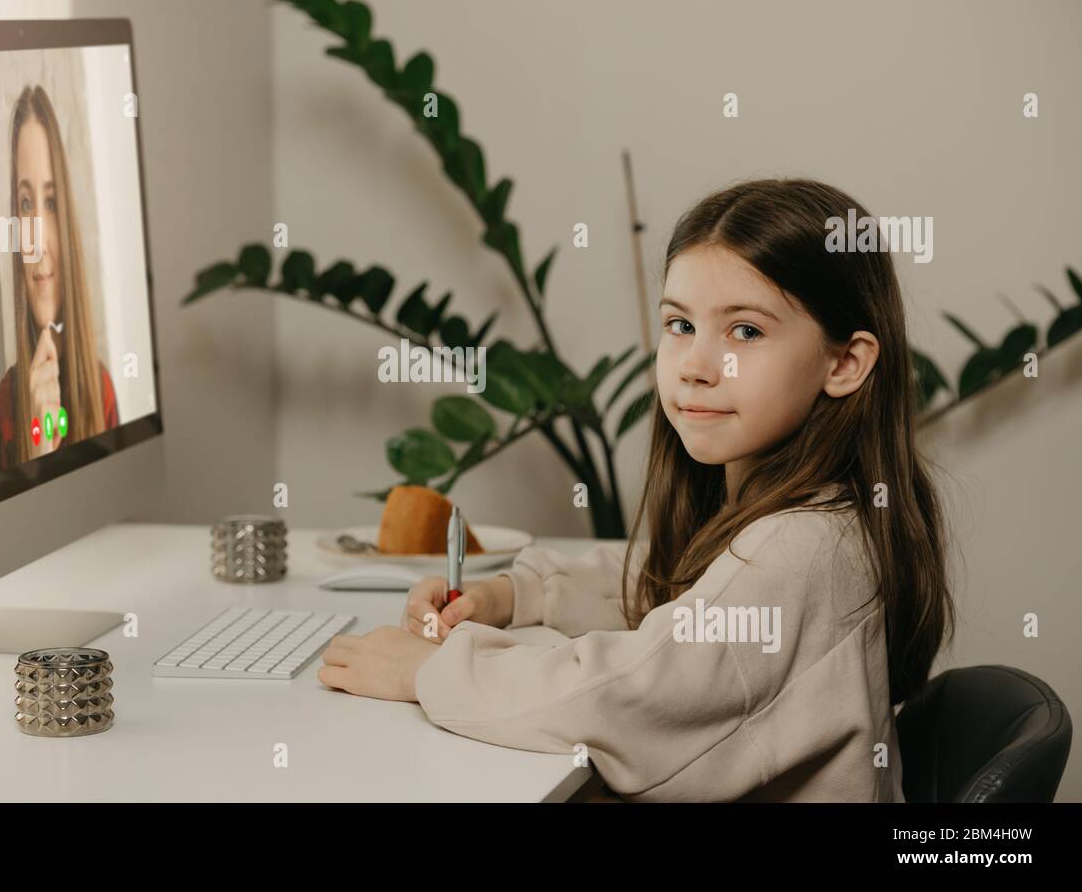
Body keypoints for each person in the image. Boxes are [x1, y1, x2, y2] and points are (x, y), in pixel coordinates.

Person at [316, 178, 954, 802]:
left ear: (844, 364)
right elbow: (666, 586)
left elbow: (627, 694)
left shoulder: (800, 547)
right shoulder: (813, 515)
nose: (697, 367)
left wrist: (425, 671)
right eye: (680, 325)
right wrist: (513, 594)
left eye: (746, 332)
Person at [0, 84, 117, 472]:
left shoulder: (103, 390)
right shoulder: (5, 405)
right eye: (25, 204)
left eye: (50, 202)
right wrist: (39, 455)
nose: (38, 240)